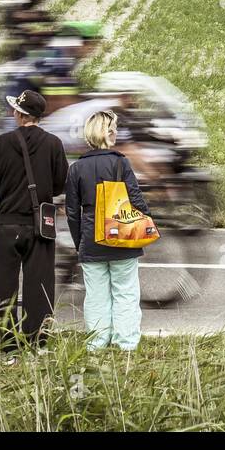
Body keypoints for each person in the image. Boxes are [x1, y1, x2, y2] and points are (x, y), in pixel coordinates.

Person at [0, 89, 69, 360]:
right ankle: (38, 342)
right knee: (40, 284)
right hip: (39, 224)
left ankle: (8, 348)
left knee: (5, 286)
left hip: (8, 222)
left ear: (20, 114)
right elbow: (60, 184)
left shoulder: (2, 142)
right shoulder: (54, 144)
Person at [64, 109, 151, 351]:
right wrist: (147, 219)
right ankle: (126, 343)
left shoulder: (76, 168)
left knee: (96, 296)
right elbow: (135, 199)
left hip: (91, 241)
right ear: (107, 133)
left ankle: (97, 342)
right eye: (113, 128)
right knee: (125, 292)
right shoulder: (120, 162)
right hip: (121, 238)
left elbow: (72, 212)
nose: (116, 133)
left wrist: (79, 243)